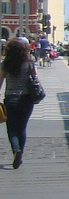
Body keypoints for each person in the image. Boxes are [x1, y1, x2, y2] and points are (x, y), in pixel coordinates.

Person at [0, 37, 37, 168]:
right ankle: (19, 153)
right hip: (26, 99)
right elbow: (35, 79)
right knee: (22, 128)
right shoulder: (29, 63)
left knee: (11, 129)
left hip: (10, 99)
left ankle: (16, 149)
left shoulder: (5, 64)